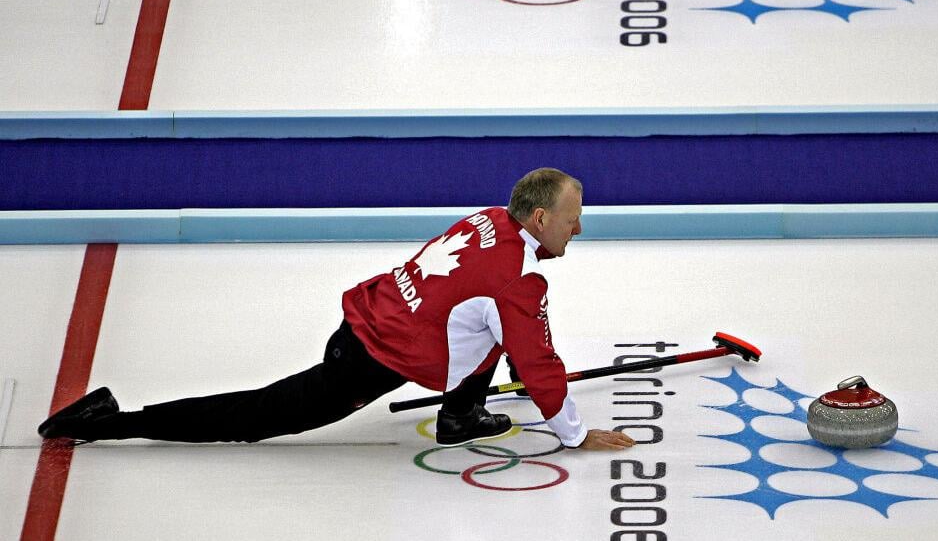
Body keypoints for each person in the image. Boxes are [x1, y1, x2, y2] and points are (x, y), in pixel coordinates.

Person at [38, 167, 636, 452]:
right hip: (371, 357)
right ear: (539, 217)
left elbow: (492, 319)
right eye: (572, 219)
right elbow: (539, 357)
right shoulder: (518, 280)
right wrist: (575, 433)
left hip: (374, 315)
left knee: (487, 327)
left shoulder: (489, 219)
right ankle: (108, 422)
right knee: (257, 416)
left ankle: (460, 416)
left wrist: (521, 374)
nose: (579, 229)